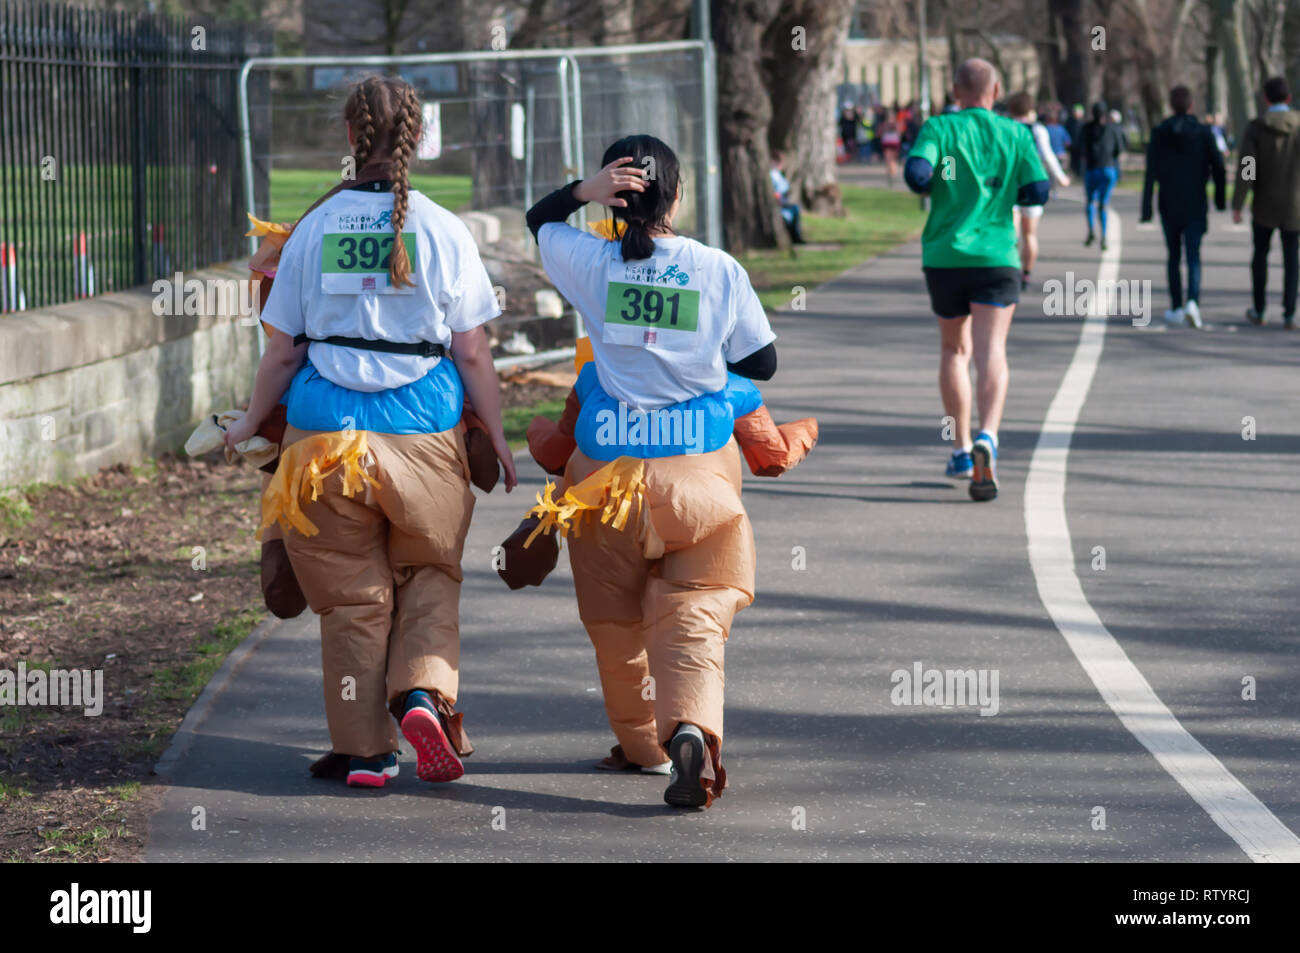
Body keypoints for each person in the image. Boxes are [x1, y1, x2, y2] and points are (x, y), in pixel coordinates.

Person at [224, 75, 517, 789]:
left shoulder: (313, 231)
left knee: (352, 602)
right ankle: (420, 692)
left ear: (350, 138)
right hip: (424, 436)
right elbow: (473, 351)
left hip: (322, 445)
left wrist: (245, 421)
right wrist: (501, 437)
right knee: (429, 575)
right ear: (418, 139)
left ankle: (364, 752)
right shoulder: (446, 229)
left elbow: (284, 350)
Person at [512, 135, 779, 808]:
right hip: (698, 482)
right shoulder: (717, 269)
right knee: (693, 616)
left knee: (616, 626)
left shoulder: (593, 264)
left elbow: (538, 220)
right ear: (679, 196)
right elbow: (763, 363)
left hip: (606, 483)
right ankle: (690, 724)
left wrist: (583, 191)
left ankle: (640, 746)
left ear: (614, 198)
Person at [904, 59, 1049, 502]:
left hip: (946, 255)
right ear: (997, 88)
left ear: (954, 89)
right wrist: (1006, 190)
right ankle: (989, 435)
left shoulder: (939, 129)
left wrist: (937, 182)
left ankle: (962, 449)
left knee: (954, 349)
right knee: (992, 351)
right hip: (997, 255)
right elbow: (1038, 191)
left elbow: (916, 175)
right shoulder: (1016, 133)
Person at [1141, 86, 1226, 329]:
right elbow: (1218, 167)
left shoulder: (1159, 133)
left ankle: (1176, 306)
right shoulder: (1203, 133)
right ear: (1191, 106)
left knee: (1173, 255)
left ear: (1171, 106)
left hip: (1169, 201)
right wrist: (1220, 199)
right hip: (1195, 201)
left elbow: (1151, 172)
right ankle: (1193, 303)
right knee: (1193, 255)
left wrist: (1146, 208)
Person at [1232, 75, 1300, 329]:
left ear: (1265, 99)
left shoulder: (1256, 128)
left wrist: (1239, 202)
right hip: (1295, 204)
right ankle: (1290, 313)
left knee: (1260, 255)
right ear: (1289, 98)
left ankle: (1259, 309)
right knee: (1292, 258)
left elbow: (1247, 169)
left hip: (1264, 204)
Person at [1007, 92, 1071, 289]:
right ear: (1030, 109)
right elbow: (1047, 155)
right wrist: (1060, 177)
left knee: (1011, 234)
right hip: (1031, 185)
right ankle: (1026, 274)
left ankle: (1011, 270)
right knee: (1030, 235)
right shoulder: (1037, 130)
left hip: (1009, 186)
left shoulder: (1004, 128)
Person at [1078, 102, 1123, 250]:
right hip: (1108, 168)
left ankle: (1091, 230)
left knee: (1090, 201)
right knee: (1104, 203)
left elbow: (1080, 147)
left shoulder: (1086, 128)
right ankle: (1104, 235)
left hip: (1092, 169)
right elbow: (1119, 148)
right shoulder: (1112, 129)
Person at [770, 151, 806, 243]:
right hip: (779, 205)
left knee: (795, 209)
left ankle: (795, 236)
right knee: (793, 210)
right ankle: (795, 237)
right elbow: (777, 193)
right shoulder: (774, 175)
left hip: (783, 203)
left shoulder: (776, 174)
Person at [1042, 104, 1071, 172]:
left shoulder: (1044, 130)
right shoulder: (1061, 129)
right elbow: (1068, 142)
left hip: (1049, 157)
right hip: (1061, 155)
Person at [880, 115, 903, 184]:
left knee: (893, 160)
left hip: (893, 142)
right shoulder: (885, 125)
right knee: (889, 160)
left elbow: (899, 133)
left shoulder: (896, 124)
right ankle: (891, 174)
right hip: (888, 142)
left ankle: (892, 174)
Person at [1065, 102, 1086, 173]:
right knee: (1072, 163)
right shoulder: (1069, 122)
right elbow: (1066, 133)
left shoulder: (1083, 123)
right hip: (1072, 145)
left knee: (1081, 164)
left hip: (1081, 146)